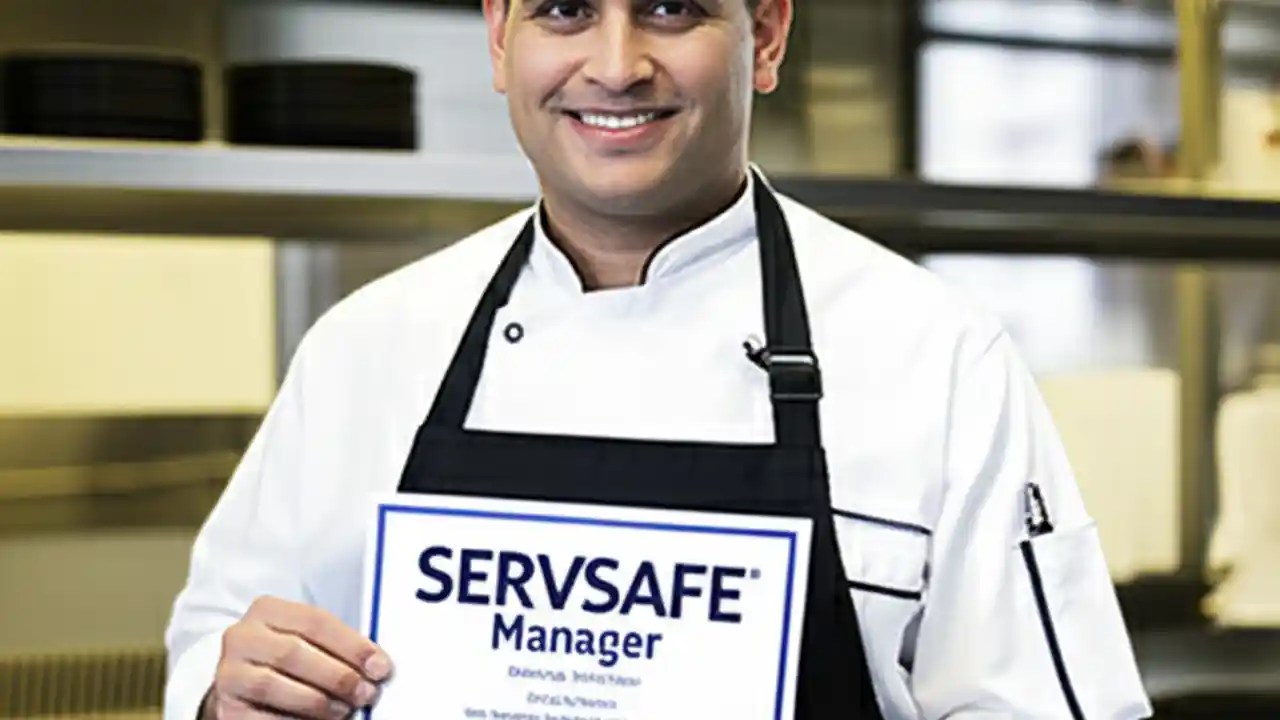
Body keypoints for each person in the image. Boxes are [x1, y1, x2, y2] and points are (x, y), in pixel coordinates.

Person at [164, 0, 1155, 718]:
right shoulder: (364, 347)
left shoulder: (936, 355)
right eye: (562, 12)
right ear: (499, 40)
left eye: (672, 11)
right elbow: (222, 637)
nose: (615, 64)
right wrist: (229, 694)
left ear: (765, 35)